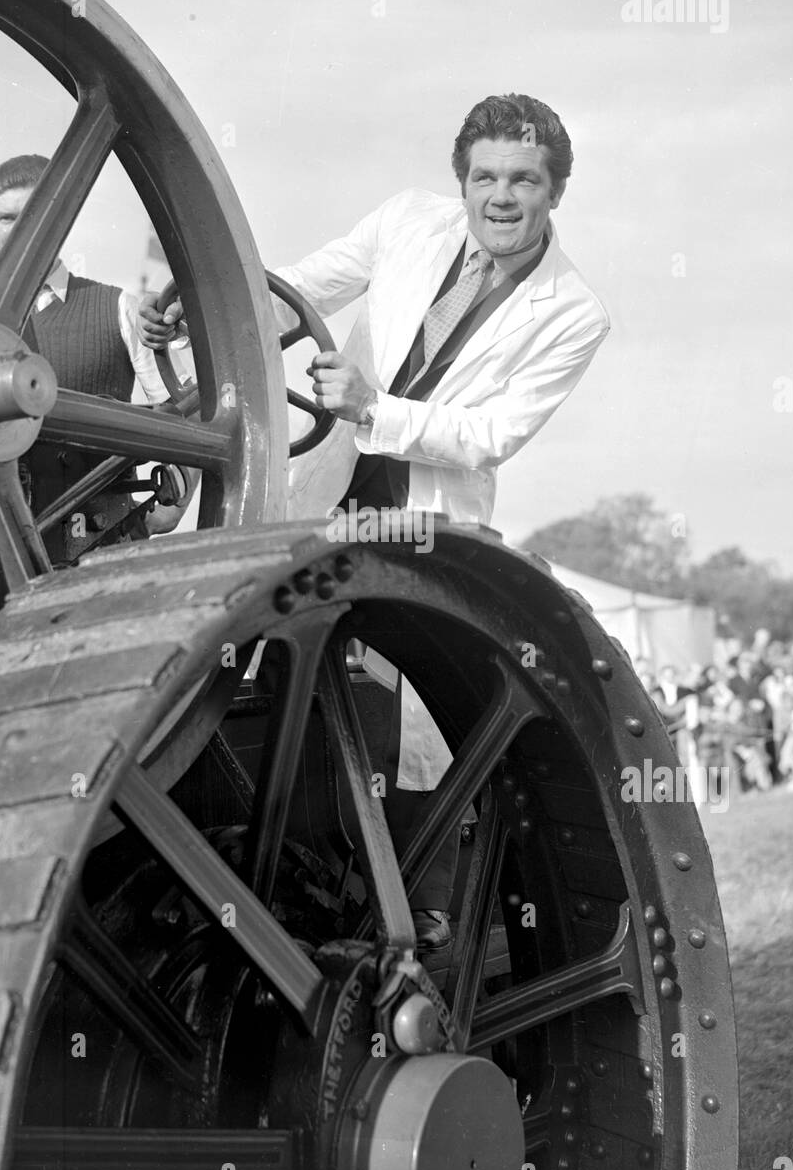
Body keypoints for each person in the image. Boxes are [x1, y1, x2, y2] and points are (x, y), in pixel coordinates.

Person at [144, 92, 609, 956]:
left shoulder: (574, 314)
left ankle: (418, 906)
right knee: (264, 652)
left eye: (523, 180)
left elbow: (487, 437)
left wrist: (374, 408)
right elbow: (297, 293)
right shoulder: (407, 223)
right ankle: (246, 839)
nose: (500, 197)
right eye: (484, 177)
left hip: (424, 512)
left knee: (414, 712)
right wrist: (197, 308)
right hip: (327, 480)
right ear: (460, 181)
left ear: (555, 192)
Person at [0, 154, 193, 561]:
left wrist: (175, 505)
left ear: (62, 217)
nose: (20, 230)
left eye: (32, 214)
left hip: (99, 537)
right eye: (7, 218)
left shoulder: (118, 307)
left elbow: (186, 412)